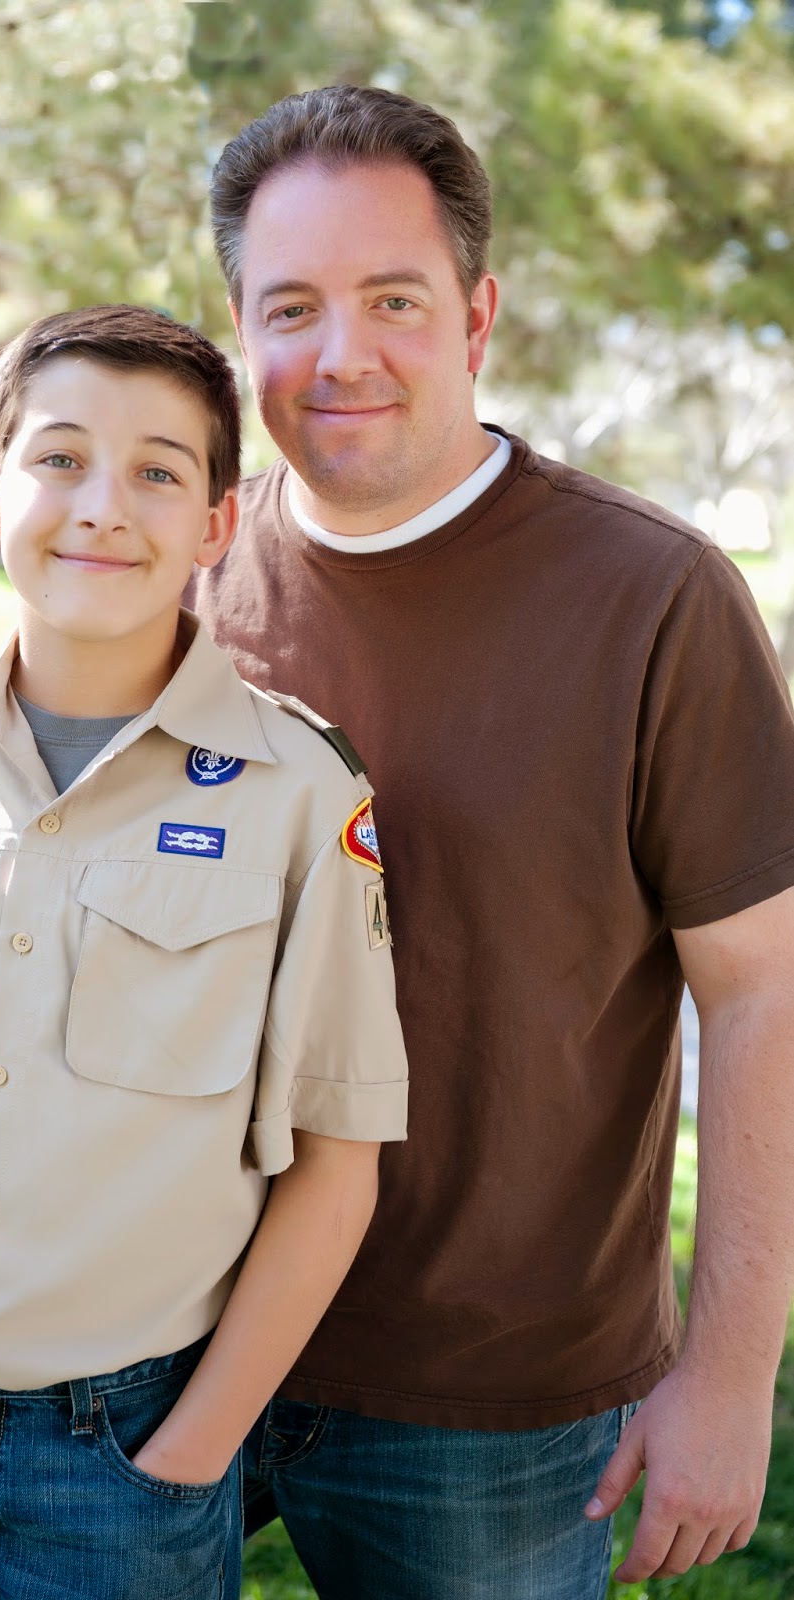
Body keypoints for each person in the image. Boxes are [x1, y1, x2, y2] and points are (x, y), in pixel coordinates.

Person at [188, 84, 794, 1597]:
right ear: (239, 332)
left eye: (393, 299)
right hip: (165, 1336)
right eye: (290, 307)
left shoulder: (654, 597)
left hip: (495, 1399)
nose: (341, 356)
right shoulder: (182, 575)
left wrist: (729, 1374)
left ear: (476, 316)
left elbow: (761, 993)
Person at [0, 303, 409, 1600]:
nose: (102, 504)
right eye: (58, 458)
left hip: (113, 1457)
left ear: (216, 523)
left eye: (159, 470)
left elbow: (336, 1166)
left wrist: (193, 1446)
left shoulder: (295, 796)